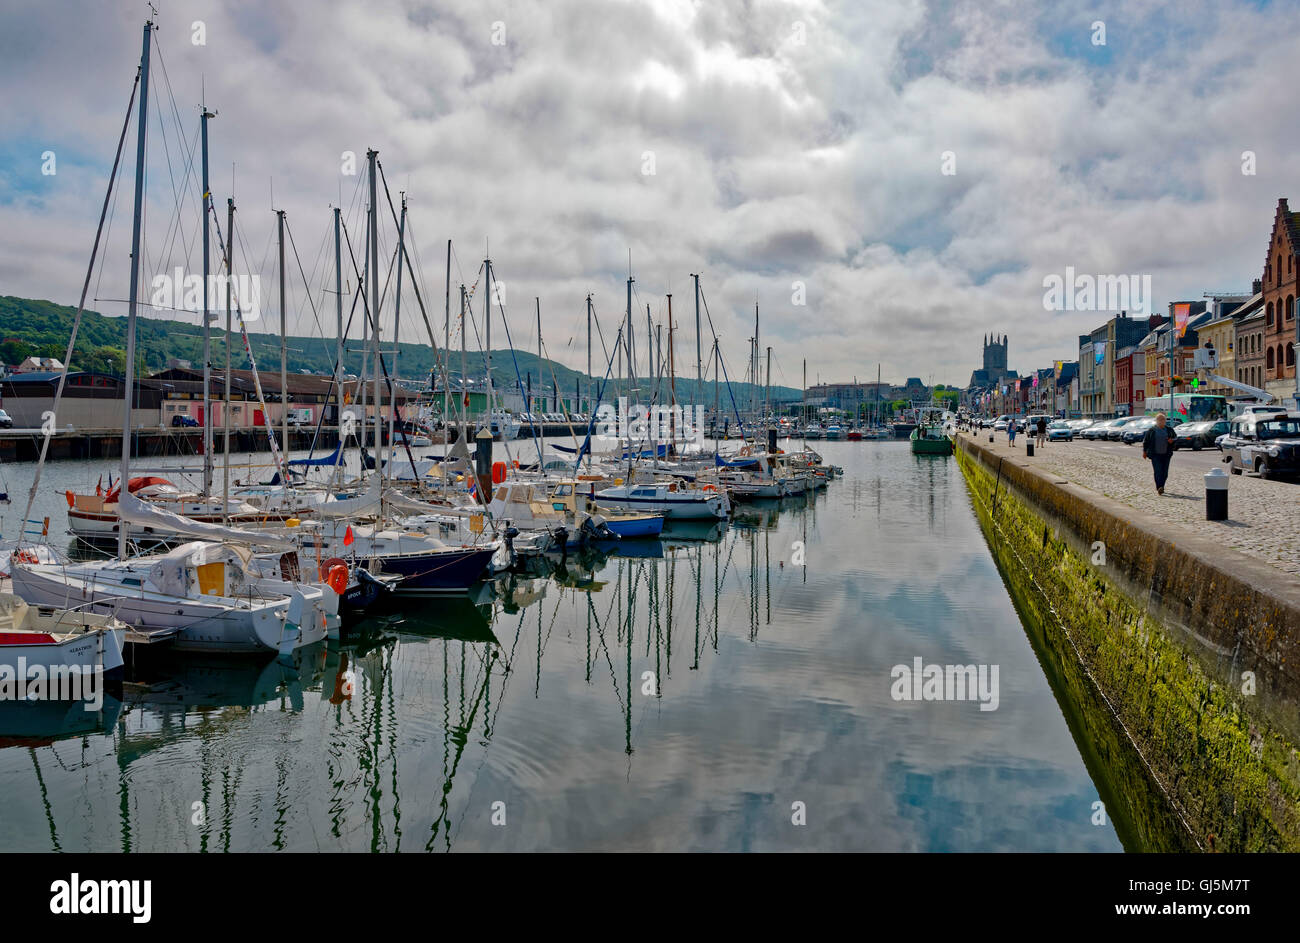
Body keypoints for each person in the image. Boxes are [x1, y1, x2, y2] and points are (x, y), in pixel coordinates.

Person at [1142, 412, 1176, 494]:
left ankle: (1162, 486)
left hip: (1166, 454)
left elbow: (1175, 438)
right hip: (1155, 454)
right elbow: (1146, 441)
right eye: (1159, 419)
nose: (1161, 421)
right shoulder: (1152, 430)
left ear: (1165, 421)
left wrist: (1172, 441)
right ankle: (1159, 487)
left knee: (1165, 472)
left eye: (1163, 419)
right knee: (1158, 471)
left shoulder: (1169, 430)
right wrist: (1144, 452)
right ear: (1156, 421)